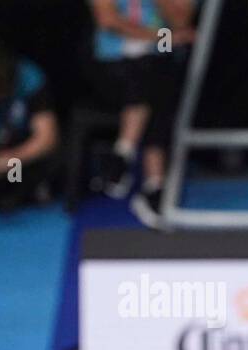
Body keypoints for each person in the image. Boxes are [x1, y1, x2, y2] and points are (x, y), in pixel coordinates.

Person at [85, 0, 194, 224]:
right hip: (113, 64)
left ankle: (123, 155)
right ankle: (154, 185)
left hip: (159, 62)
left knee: (156, 78)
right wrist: (157, 36)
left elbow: (181, 21)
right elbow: (107, 20)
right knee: (147, 78)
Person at [0, 40, 60, 211]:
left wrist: (13, 157)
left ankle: (9, 193)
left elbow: (47, 138)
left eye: (5, 91)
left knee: (12, 182)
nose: (1, 97)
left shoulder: (31, 78)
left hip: (14, 147)